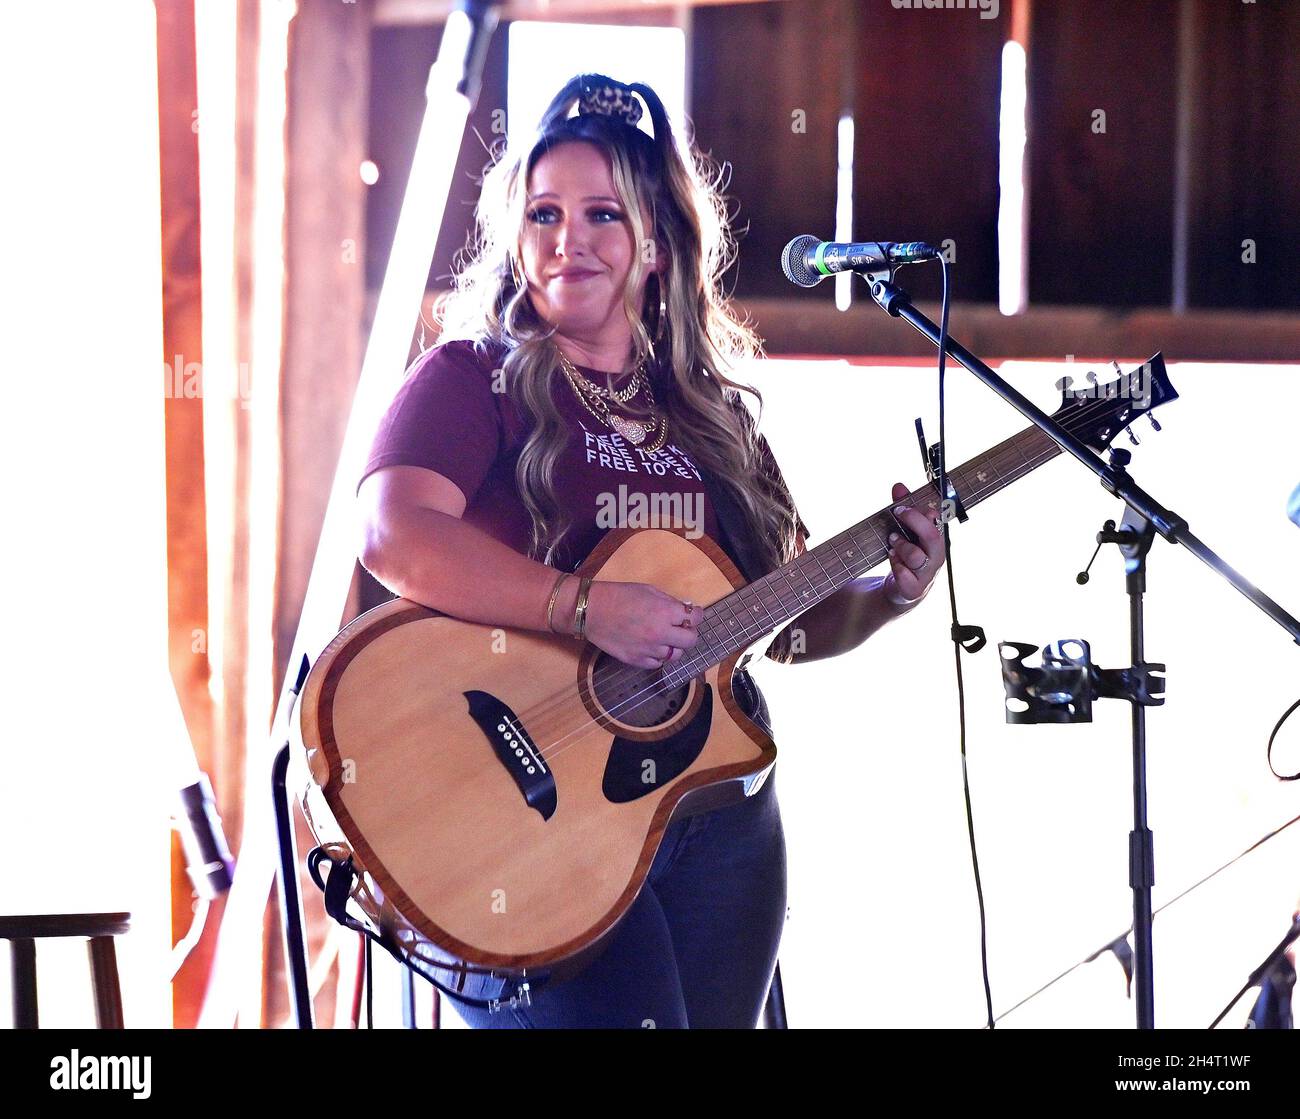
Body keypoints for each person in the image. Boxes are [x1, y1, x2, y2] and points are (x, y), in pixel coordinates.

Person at [355, 73, 946, 1028]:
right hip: (537, 817)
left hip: (716, 819)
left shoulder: (714, 423)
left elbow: (779, 629)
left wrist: (889, 593)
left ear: (658, 247)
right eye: (543, 213)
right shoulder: (474, 378)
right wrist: (582, 608)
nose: (567, 238)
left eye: (601, 214)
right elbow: (393, 532)